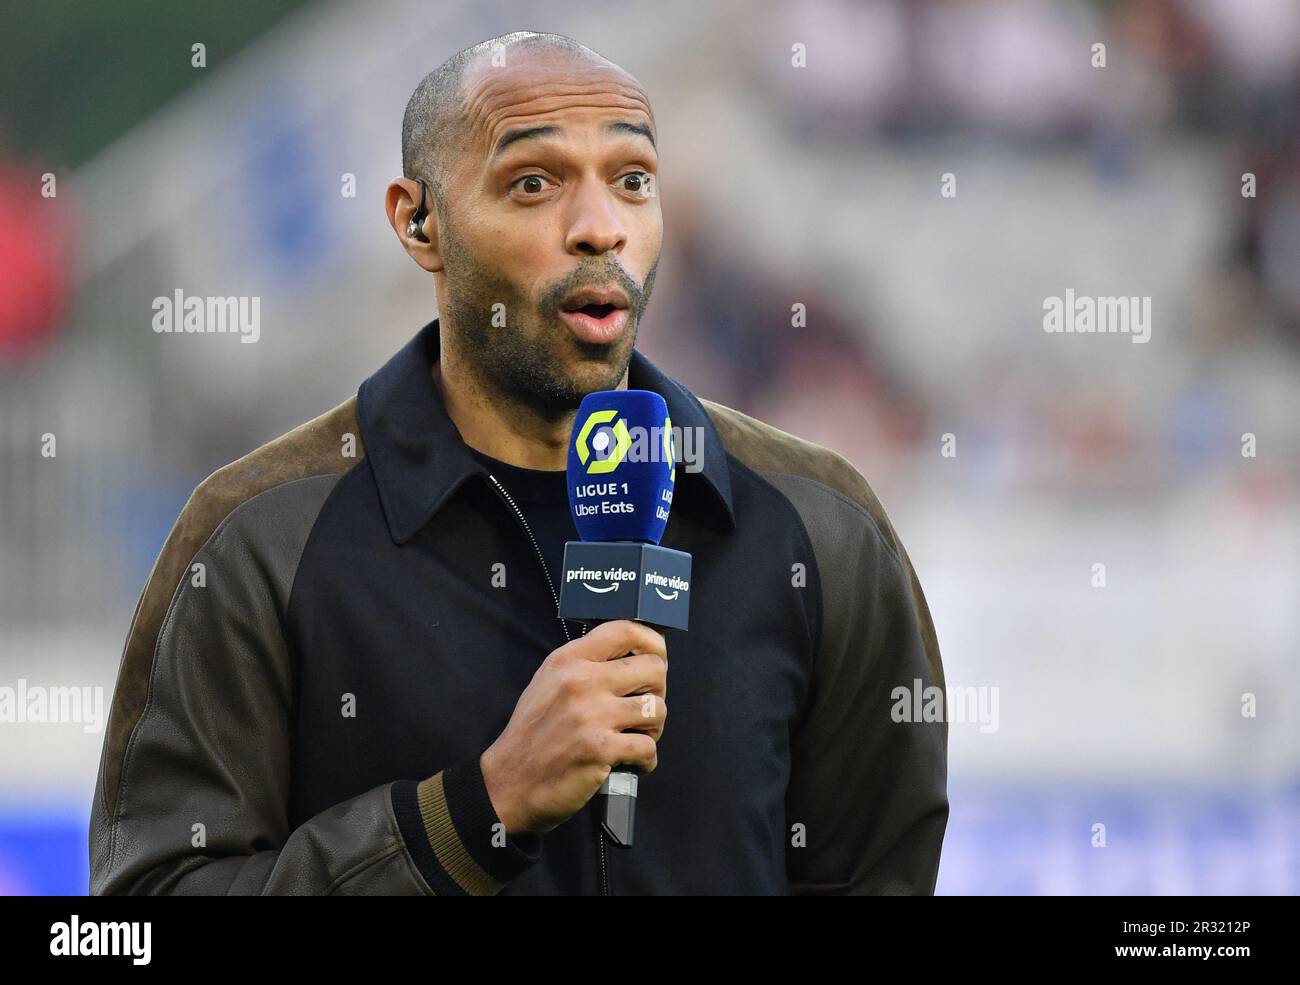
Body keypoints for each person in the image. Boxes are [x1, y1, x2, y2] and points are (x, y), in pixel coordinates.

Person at [89, 31, 948, 895]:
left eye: (632, 180)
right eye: (533, 184)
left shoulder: (822, 527)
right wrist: (474, 812)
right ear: (417, 221)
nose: (599, 228)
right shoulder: (257, 539)